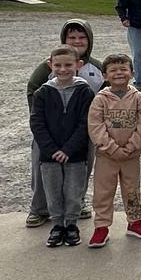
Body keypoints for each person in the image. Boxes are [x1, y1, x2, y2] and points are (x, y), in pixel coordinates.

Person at [24, 19, 104, 228]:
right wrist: (44, 123)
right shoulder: (48, 67)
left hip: (83, 129)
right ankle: (40, 209)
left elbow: (106, 94)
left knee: (80, 169)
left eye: (81, 37)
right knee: (44, 170)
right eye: (72, 38)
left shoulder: (96, 67)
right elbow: (33, 91)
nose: (77, 41)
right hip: (50, 131)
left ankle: (76, 203)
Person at [31, 46, 95, 248]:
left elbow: (85, 123)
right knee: (53, 191)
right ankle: (57, 225)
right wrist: (51, 149)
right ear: (50, 65)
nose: (63, 69)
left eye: (68, 65)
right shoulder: (43, 92)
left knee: (73, 191)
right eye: (58, 65)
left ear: (79, 65)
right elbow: (37, 123)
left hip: (75, 154)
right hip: (50, 155)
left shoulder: (85, 92)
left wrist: (68, 149)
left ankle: (71, 224)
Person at [88, 53, 141, 248]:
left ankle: (135, 222)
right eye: (113, 70)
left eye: (123, 69)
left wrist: (133, 146)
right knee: (103, 191)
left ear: (132, 73)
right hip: (106, 156)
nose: (119, 73)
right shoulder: (100, 99)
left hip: (130, 155)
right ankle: (101, 226)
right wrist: (111, 148)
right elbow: (95, 126)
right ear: (105, 75)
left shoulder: (138, 98)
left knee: (132, 189)